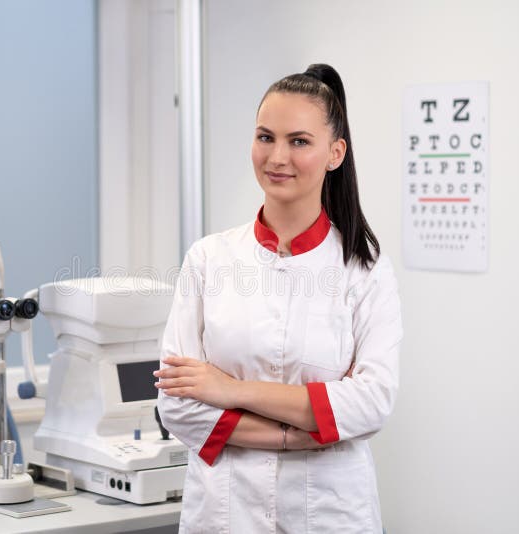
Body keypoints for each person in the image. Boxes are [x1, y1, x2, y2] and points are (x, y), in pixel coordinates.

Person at [155, 63, 403, 533]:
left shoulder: (364, 270)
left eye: (299, 141)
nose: (277, 156)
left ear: (335, 153)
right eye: (265, 137)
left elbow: (371, 402)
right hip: (225, 512)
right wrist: (302, 433)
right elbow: (179, 405)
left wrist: (230, 390)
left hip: (329, 514)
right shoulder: (209, 258)